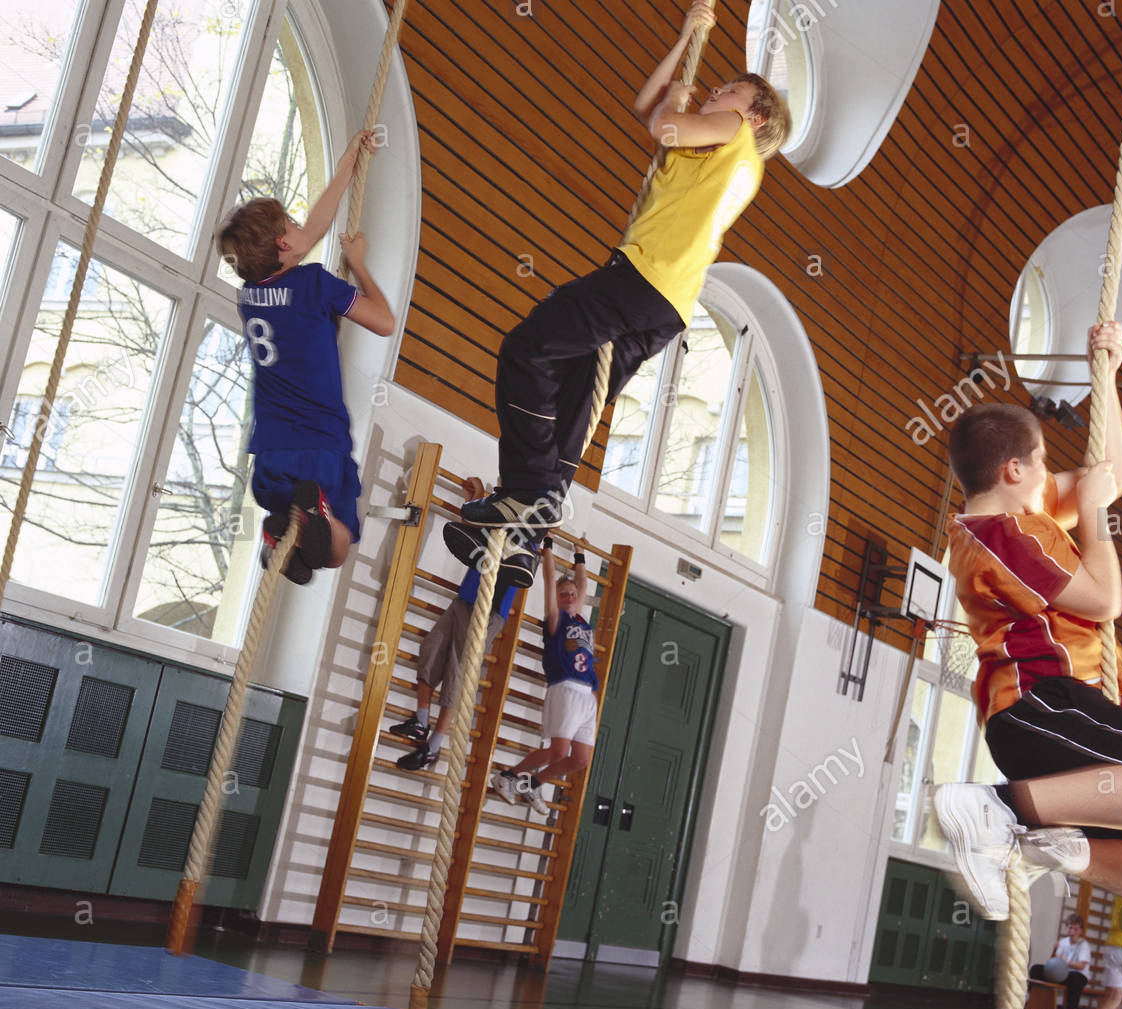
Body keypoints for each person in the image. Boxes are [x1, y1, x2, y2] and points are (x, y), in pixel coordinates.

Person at [452, 1, 792, 580]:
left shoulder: (733, 134)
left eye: (731, 90)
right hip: (668, 305)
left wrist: (680, 104)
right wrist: (687, 35)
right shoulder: (712, 156)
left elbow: (661, 122)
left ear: (754, 117)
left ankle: (527, 490)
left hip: (642, 278)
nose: (718, 90)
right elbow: (647, 109)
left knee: (528, 348)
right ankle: (525, 539)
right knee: (579, 402)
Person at [933, 322, 1122, 922]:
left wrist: (1108, 376)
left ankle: (1053, 847)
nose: (1050, 472)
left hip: (1071, 720)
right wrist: (1090, 510)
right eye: (1042, 461)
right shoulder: (1001, 537)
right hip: (1043, 709)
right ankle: (999, 808)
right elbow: (1103, 600)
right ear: (1015, 470)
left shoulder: (1022, 517)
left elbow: (1111, 474)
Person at [217, 129, 395, 584]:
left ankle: (288, 538)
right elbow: (384, 321)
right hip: (320, 444)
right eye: (292, 228)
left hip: (273, 452)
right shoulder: (316, 284)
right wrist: (356, 264)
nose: (303, 230)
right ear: (284, 247)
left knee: (314, 543)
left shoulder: (250, 296)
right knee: (338, 550)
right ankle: (306, 522)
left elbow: (310, 231)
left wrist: (347, 163)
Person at [388, 482, 520, 772]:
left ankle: (433, 747)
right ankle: (421, 720)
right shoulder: (498, 519)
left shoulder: (522, 530)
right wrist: (473, 499)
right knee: (431, 648)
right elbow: (467, 534)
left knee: (458, 672)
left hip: (489, 610)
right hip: (465, 597)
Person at [490, 536, 598, 815]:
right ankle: (508, 776)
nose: (571, 596)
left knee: (580, 760)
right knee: (559, 752)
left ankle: (534, 783)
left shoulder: (581, 619)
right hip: (565, 688)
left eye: (573, 594)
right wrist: (547, 547)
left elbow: (582, 585)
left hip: (588, 695)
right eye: (565, 594)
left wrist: (580, 554)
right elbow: (550, 581)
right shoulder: (556, 619)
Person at [1029, 912, 1092, 1009]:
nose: (1072, 932)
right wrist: (1054, 950)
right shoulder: (1063, 942)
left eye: (1076, 929)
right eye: (1070, 928)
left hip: (1078, 975)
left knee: (1075, 977)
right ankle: (1032, 1000)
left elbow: (1081, 966)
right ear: (1067, 928)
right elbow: (1052, 963)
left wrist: (1064, 960)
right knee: (1036, 969)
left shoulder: (1084, 945)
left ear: (1081, 930)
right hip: (1062, 974)